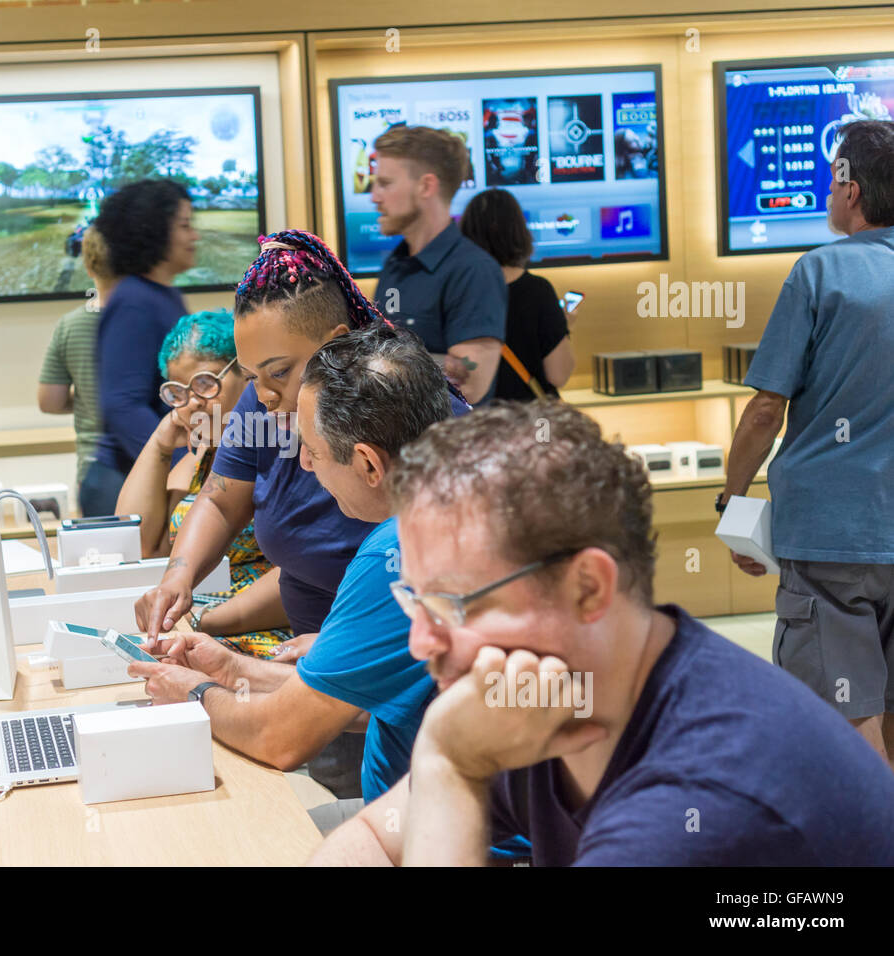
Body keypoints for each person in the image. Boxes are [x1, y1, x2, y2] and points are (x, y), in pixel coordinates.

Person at [311, 402, 894, 866]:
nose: (421, 642)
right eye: (415, 601)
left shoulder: (699, 800)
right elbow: (375, 835)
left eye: (450, 604)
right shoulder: (559, 685)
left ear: (588, 588)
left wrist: (448, 762)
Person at [135, 229, 467, 797]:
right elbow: (375, 694)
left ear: (367, 463)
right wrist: (233, 667)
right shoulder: (403, 552)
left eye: (312, 451)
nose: (303, 464)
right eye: (251, 375)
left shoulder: (398, 553)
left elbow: (284, 736)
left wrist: (191, 690)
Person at [721, 119, 894, 769]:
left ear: (850, 188)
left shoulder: (820, 273)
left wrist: (732, 501)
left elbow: (766, 409)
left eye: (830, 177)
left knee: (845, 716)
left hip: (831, 544)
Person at [115, 309, 291, 657]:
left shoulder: (284, 446)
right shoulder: (202, 457)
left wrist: (204, 621)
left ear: (246, 372)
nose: (193, 401)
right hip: (200, 625)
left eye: (205, 383)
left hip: (260, 630)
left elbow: (307, 569)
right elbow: (136, 543)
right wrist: (161, 441)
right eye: (178, 392)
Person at [84, 179, 200, 515]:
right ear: (154, 231)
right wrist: (182, 464)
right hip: (123, 483)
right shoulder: (134, 301)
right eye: (185, 226)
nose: (195, 237)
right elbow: (122, 404)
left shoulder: (161, 295)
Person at [370, 125, 507, 404]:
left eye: (385, 184)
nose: (374, 197)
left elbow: (468, 387)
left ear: (426, 186)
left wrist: (373, 367)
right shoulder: (395, 265)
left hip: (449, 446)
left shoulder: (473, 271)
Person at [459, 188, 575, 400]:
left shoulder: (454, 292)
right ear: (518, 232)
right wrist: (562, 327)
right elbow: (559, 375)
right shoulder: (538, 291)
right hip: (527, 424)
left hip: (473, 424)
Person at [38, 227, 117, 509]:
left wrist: (87, 397)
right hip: (155, 463)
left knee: (101, 550)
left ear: (88, 265)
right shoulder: (151, 320)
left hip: (95, 465)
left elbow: (50, 401)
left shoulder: (70, 325)